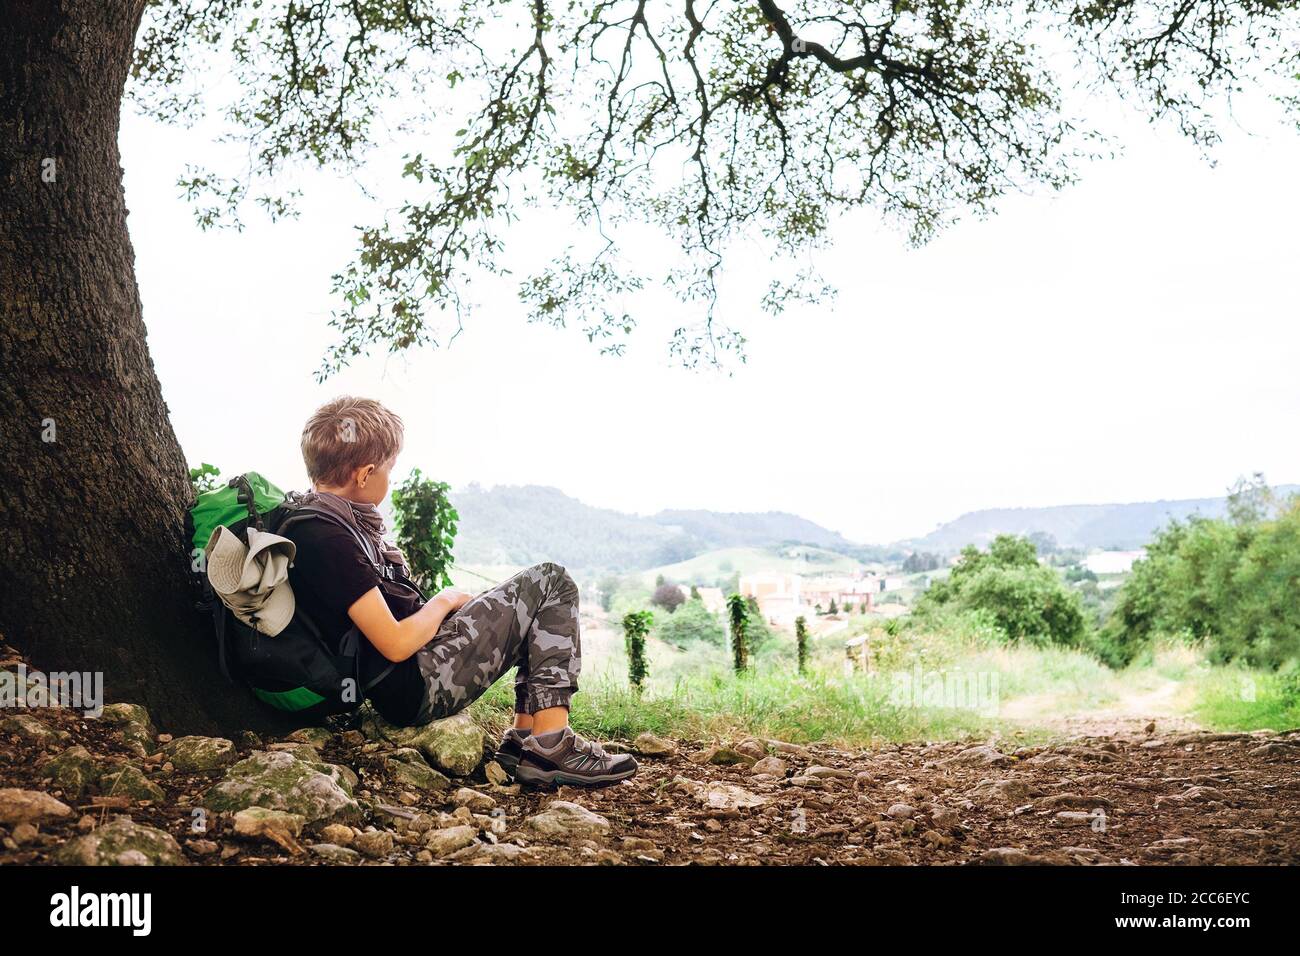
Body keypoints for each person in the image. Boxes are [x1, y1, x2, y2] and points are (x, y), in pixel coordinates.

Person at [283, 396, 637, 786]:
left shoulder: (331, 522)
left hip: (414, 668)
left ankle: (524, 741)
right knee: (551, 581)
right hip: (412, 685)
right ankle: (552, 744)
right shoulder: (325, 535)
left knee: (531, 599)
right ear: (365, 474)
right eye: (389, 468)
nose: (390, 478)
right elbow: (395, 643)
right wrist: (445, 600)